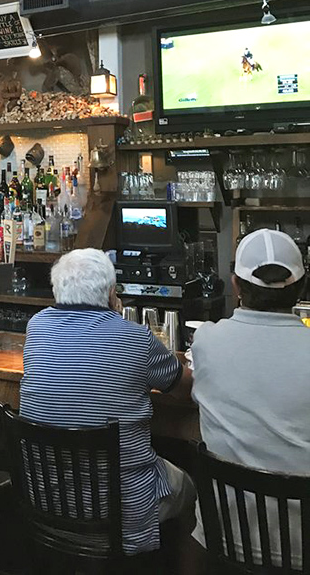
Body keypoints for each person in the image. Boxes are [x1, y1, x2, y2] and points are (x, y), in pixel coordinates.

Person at [20, 248, 195, 560]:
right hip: (122, 512)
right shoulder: (136, 338)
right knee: (191, 487)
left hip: (46, 501)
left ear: (57, 289)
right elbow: (184, 389)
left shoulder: (37, 327)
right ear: (113, 293)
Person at [189, 228, 309, 571]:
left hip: (226, 538)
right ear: (301, 288)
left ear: (236, 285)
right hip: (302, 548)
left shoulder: (207, 342)